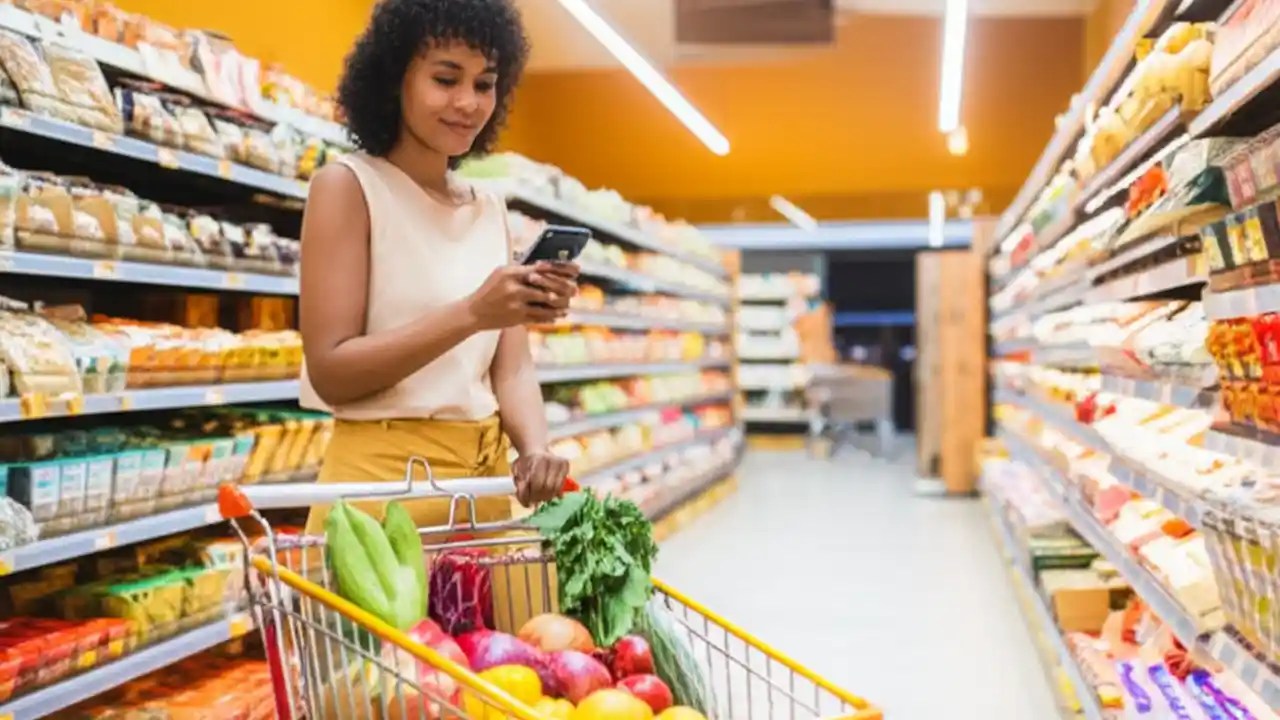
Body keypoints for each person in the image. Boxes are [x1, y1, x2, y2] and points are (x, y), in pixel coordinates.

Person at [299, 0, 576, 536]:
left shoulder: (488, 207)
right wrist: (474, 312)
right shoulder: (349, 187)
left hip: (481, 492)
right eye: (445, 79)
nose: (468, 103)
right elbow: (331, 370)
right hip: (379, 497)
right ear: (394, 78)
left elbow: (512, 368)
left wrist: (536, 448)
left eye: (484, 83)